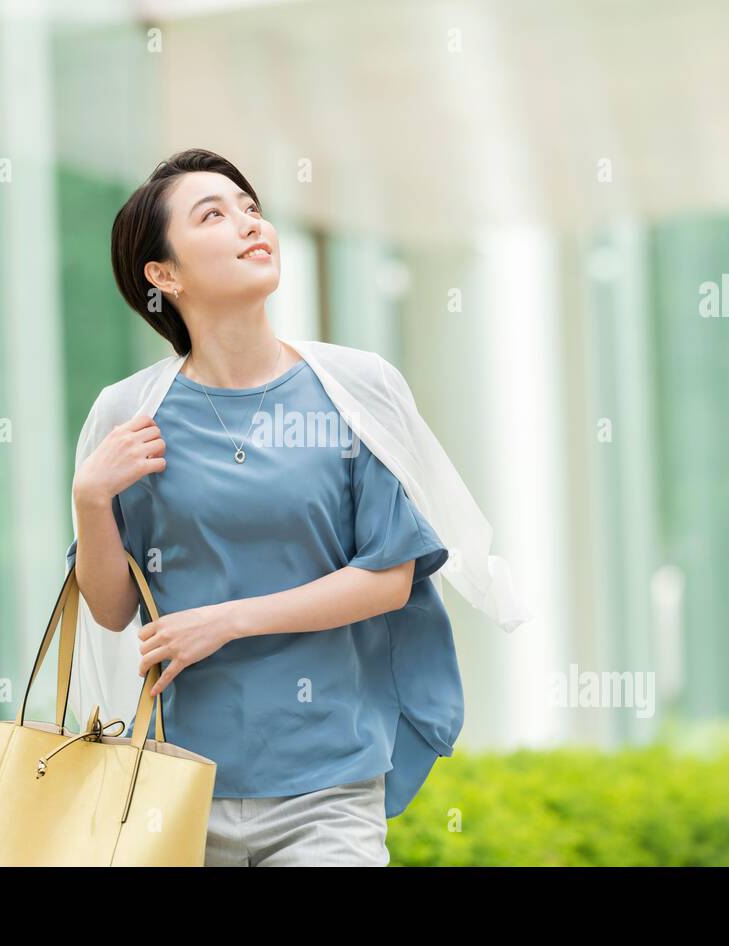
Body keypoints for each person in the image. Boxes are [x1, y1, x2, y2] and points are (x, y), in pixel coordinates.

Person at [70, 148, 462, 867]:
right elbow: (109, 607)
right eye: (213, 215)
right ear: (165, 276)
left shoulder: (351, 390)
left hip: (329, 787)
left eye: (250, 208)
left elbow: (389, 577)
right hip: (174, 784)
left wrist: (226, 621)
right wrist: (91, 497)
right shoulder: (132, 410)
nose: (251, 225)